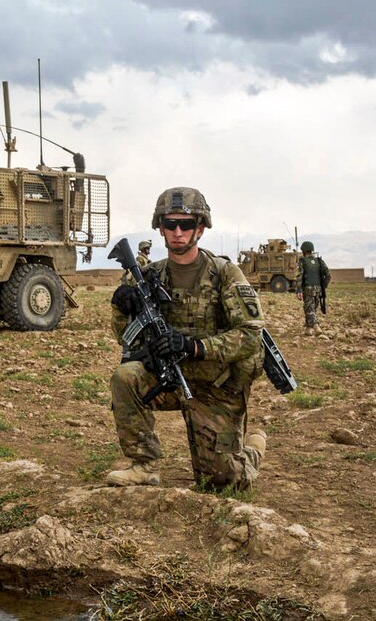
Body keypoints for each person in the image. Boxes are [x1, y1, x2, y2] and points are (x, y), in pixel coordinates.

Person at [107, 187, 267, 490]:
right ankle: (144, 465)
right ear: (160, 228)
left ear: (200, 228)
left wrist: (195, 347)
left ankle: (254, 449)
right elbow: (125, 339)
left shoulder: (225, 274)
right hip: (167, 379)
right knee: (126, 376)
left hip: (215, 386)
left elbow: (250, 336)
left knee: (222, 483)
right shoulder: (150, 276)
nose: (177, 232)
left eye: (186, 224)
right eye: (170, 224)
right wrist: (120, 307)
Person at [295, 240, 330, 334]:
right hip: (318, 289)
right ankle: (308, 329)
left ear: (303, 251)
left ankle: (316, 326)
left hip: (308, 289)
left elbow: (299, 276)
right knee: (313, 309)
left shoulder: (302, 261)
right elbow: (328, 274)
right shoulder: (319, 261)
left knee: (309, 309)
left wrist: (298, 290)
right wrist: (324, 285)